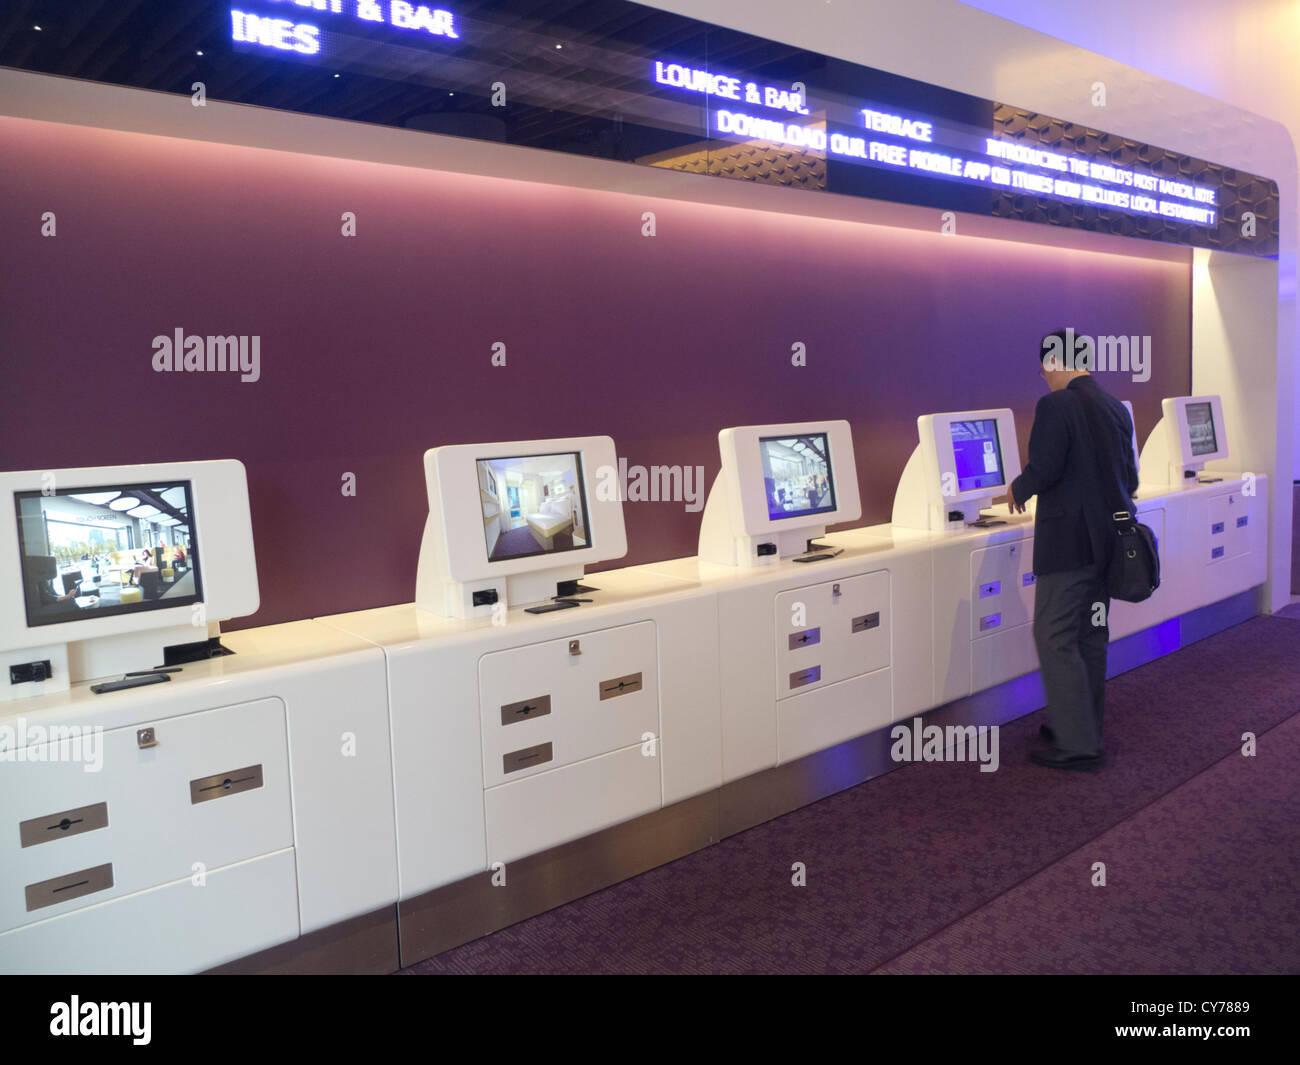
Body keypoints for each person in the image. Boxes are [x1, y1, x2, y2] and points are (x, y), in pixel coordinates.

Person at [998, 329, 1139, 772]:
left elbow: (1046, 467)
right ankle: (1081, 723)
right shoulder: (1115, 406)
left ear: (1057, 361)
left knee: (1055, 634)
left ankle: (1077, 743)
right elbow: (1130, 478)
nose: (1042, 376)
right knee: (1091, 633)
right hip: (1109, 545)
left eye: (1043, 368)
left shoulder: (1055, 405)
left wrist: (1017, 488)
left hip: (1069, 545)